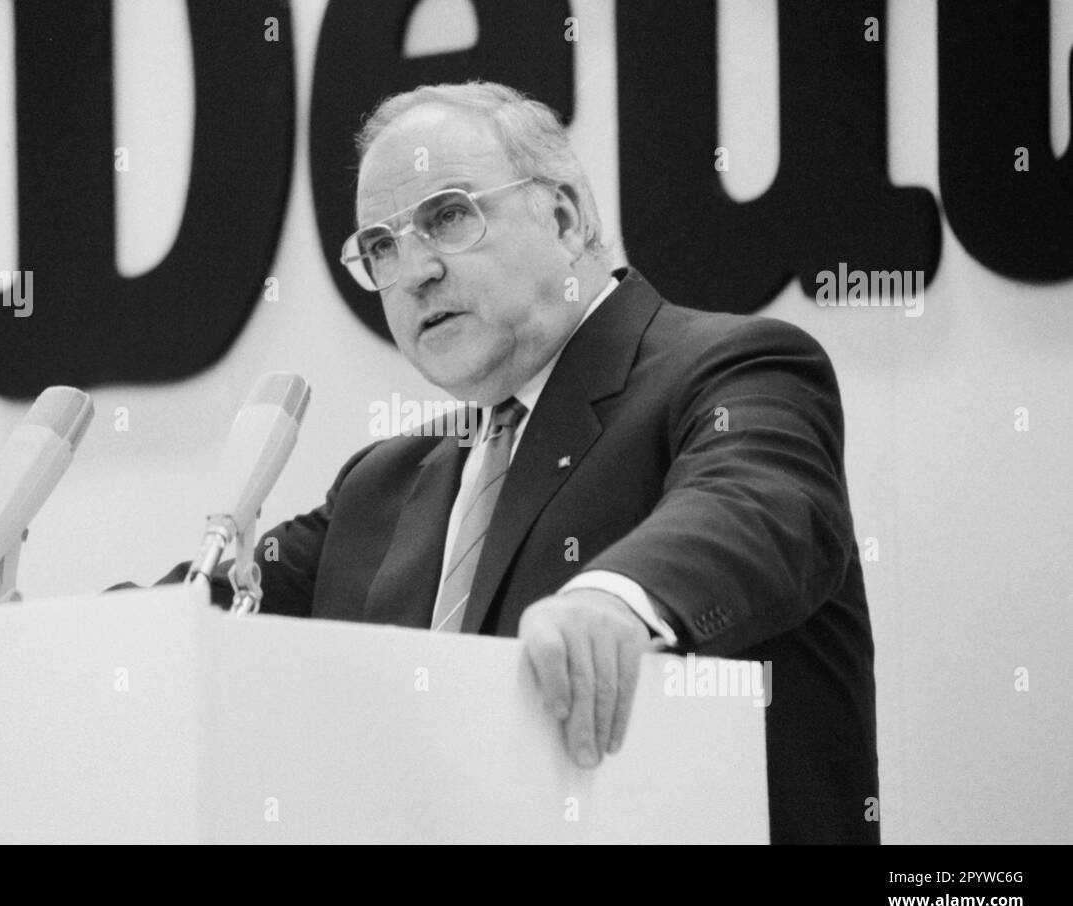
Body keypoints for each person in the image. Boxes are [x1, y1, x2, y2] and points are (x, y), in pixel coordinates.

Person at [118, 81, 879, 844]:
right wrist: (74, 642)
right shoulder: (380, 484)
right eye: (382, 246)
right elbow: (210, 613)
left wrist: (615, 600)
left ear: (565, 216)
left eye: (447, 217)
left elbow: (757, 504)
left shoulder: (735, 366)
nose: (413, 271)